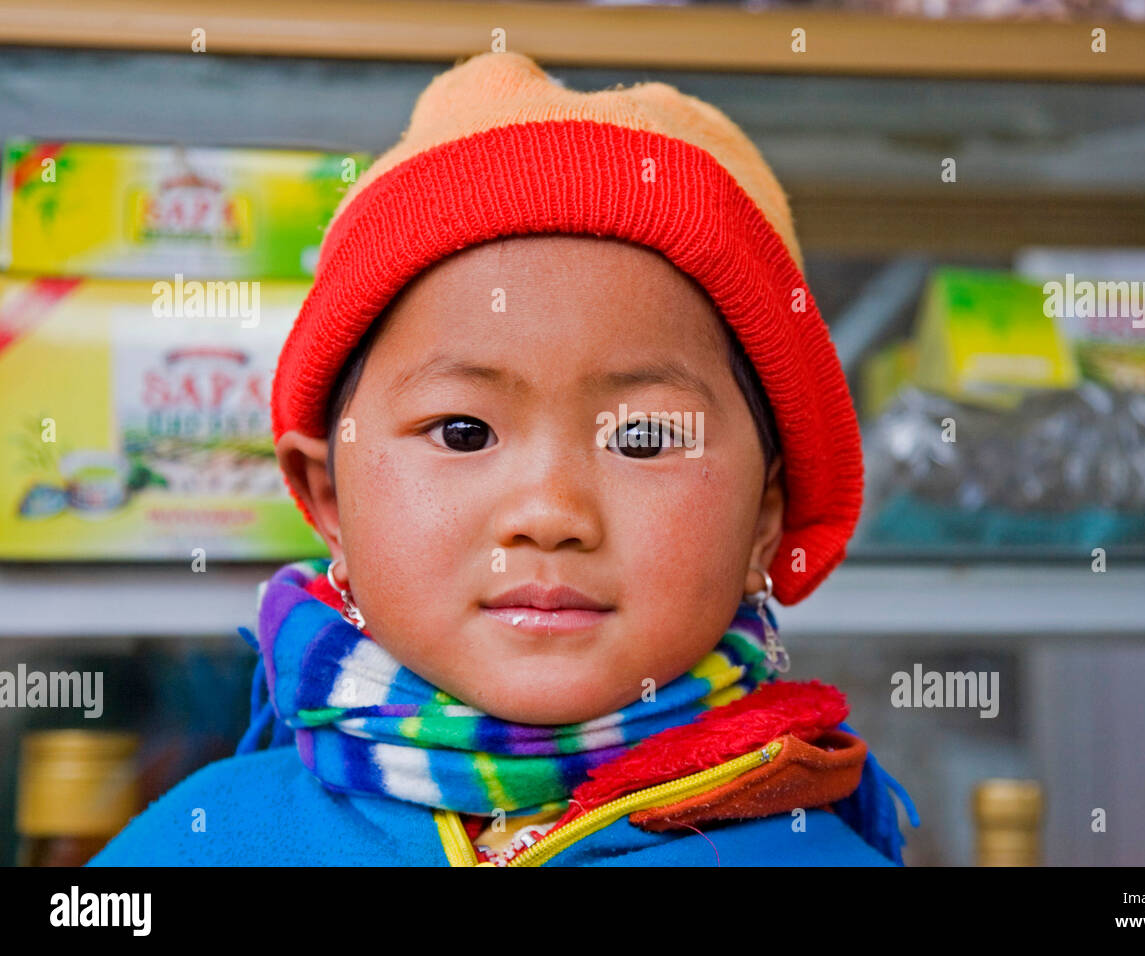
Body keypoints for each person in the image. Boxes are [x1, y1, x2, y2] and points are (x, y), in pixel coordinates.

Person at [88, 50, 919, 867]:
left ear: (763, 522)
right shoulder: (205, 841)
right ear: (329, 499)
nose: (550, 513)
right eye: (462, 432)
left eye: (642, 438)